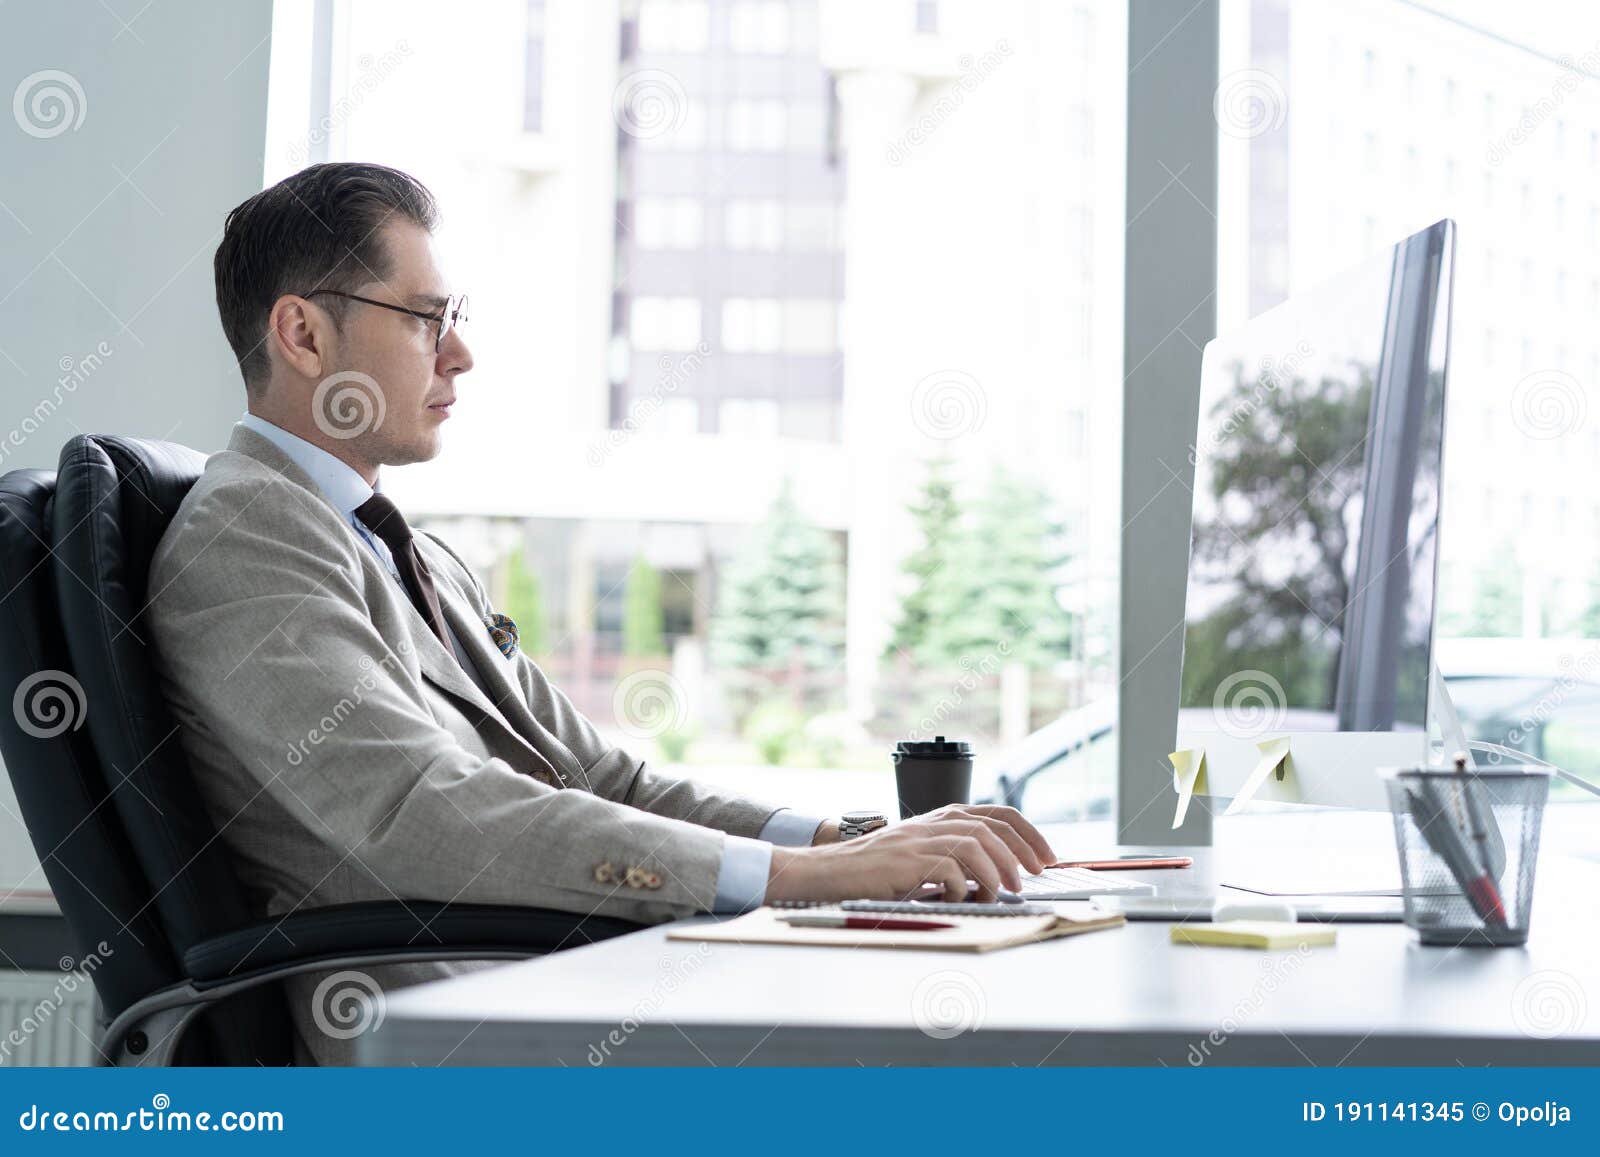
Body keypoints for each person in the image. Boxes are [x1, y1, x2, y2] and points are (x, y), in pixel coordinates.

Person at [148, 162, 1054, 1064]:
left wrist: (842, 841)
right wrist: (796, 879)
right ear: (303, 335)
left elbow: (600, 774)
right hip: (441, 1032)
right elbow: (418, 810)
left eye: (456, 319)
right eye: (428, 319)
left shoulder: (397, 546)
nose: (460, 354)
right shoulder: (251, 534)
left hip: (544, 987)